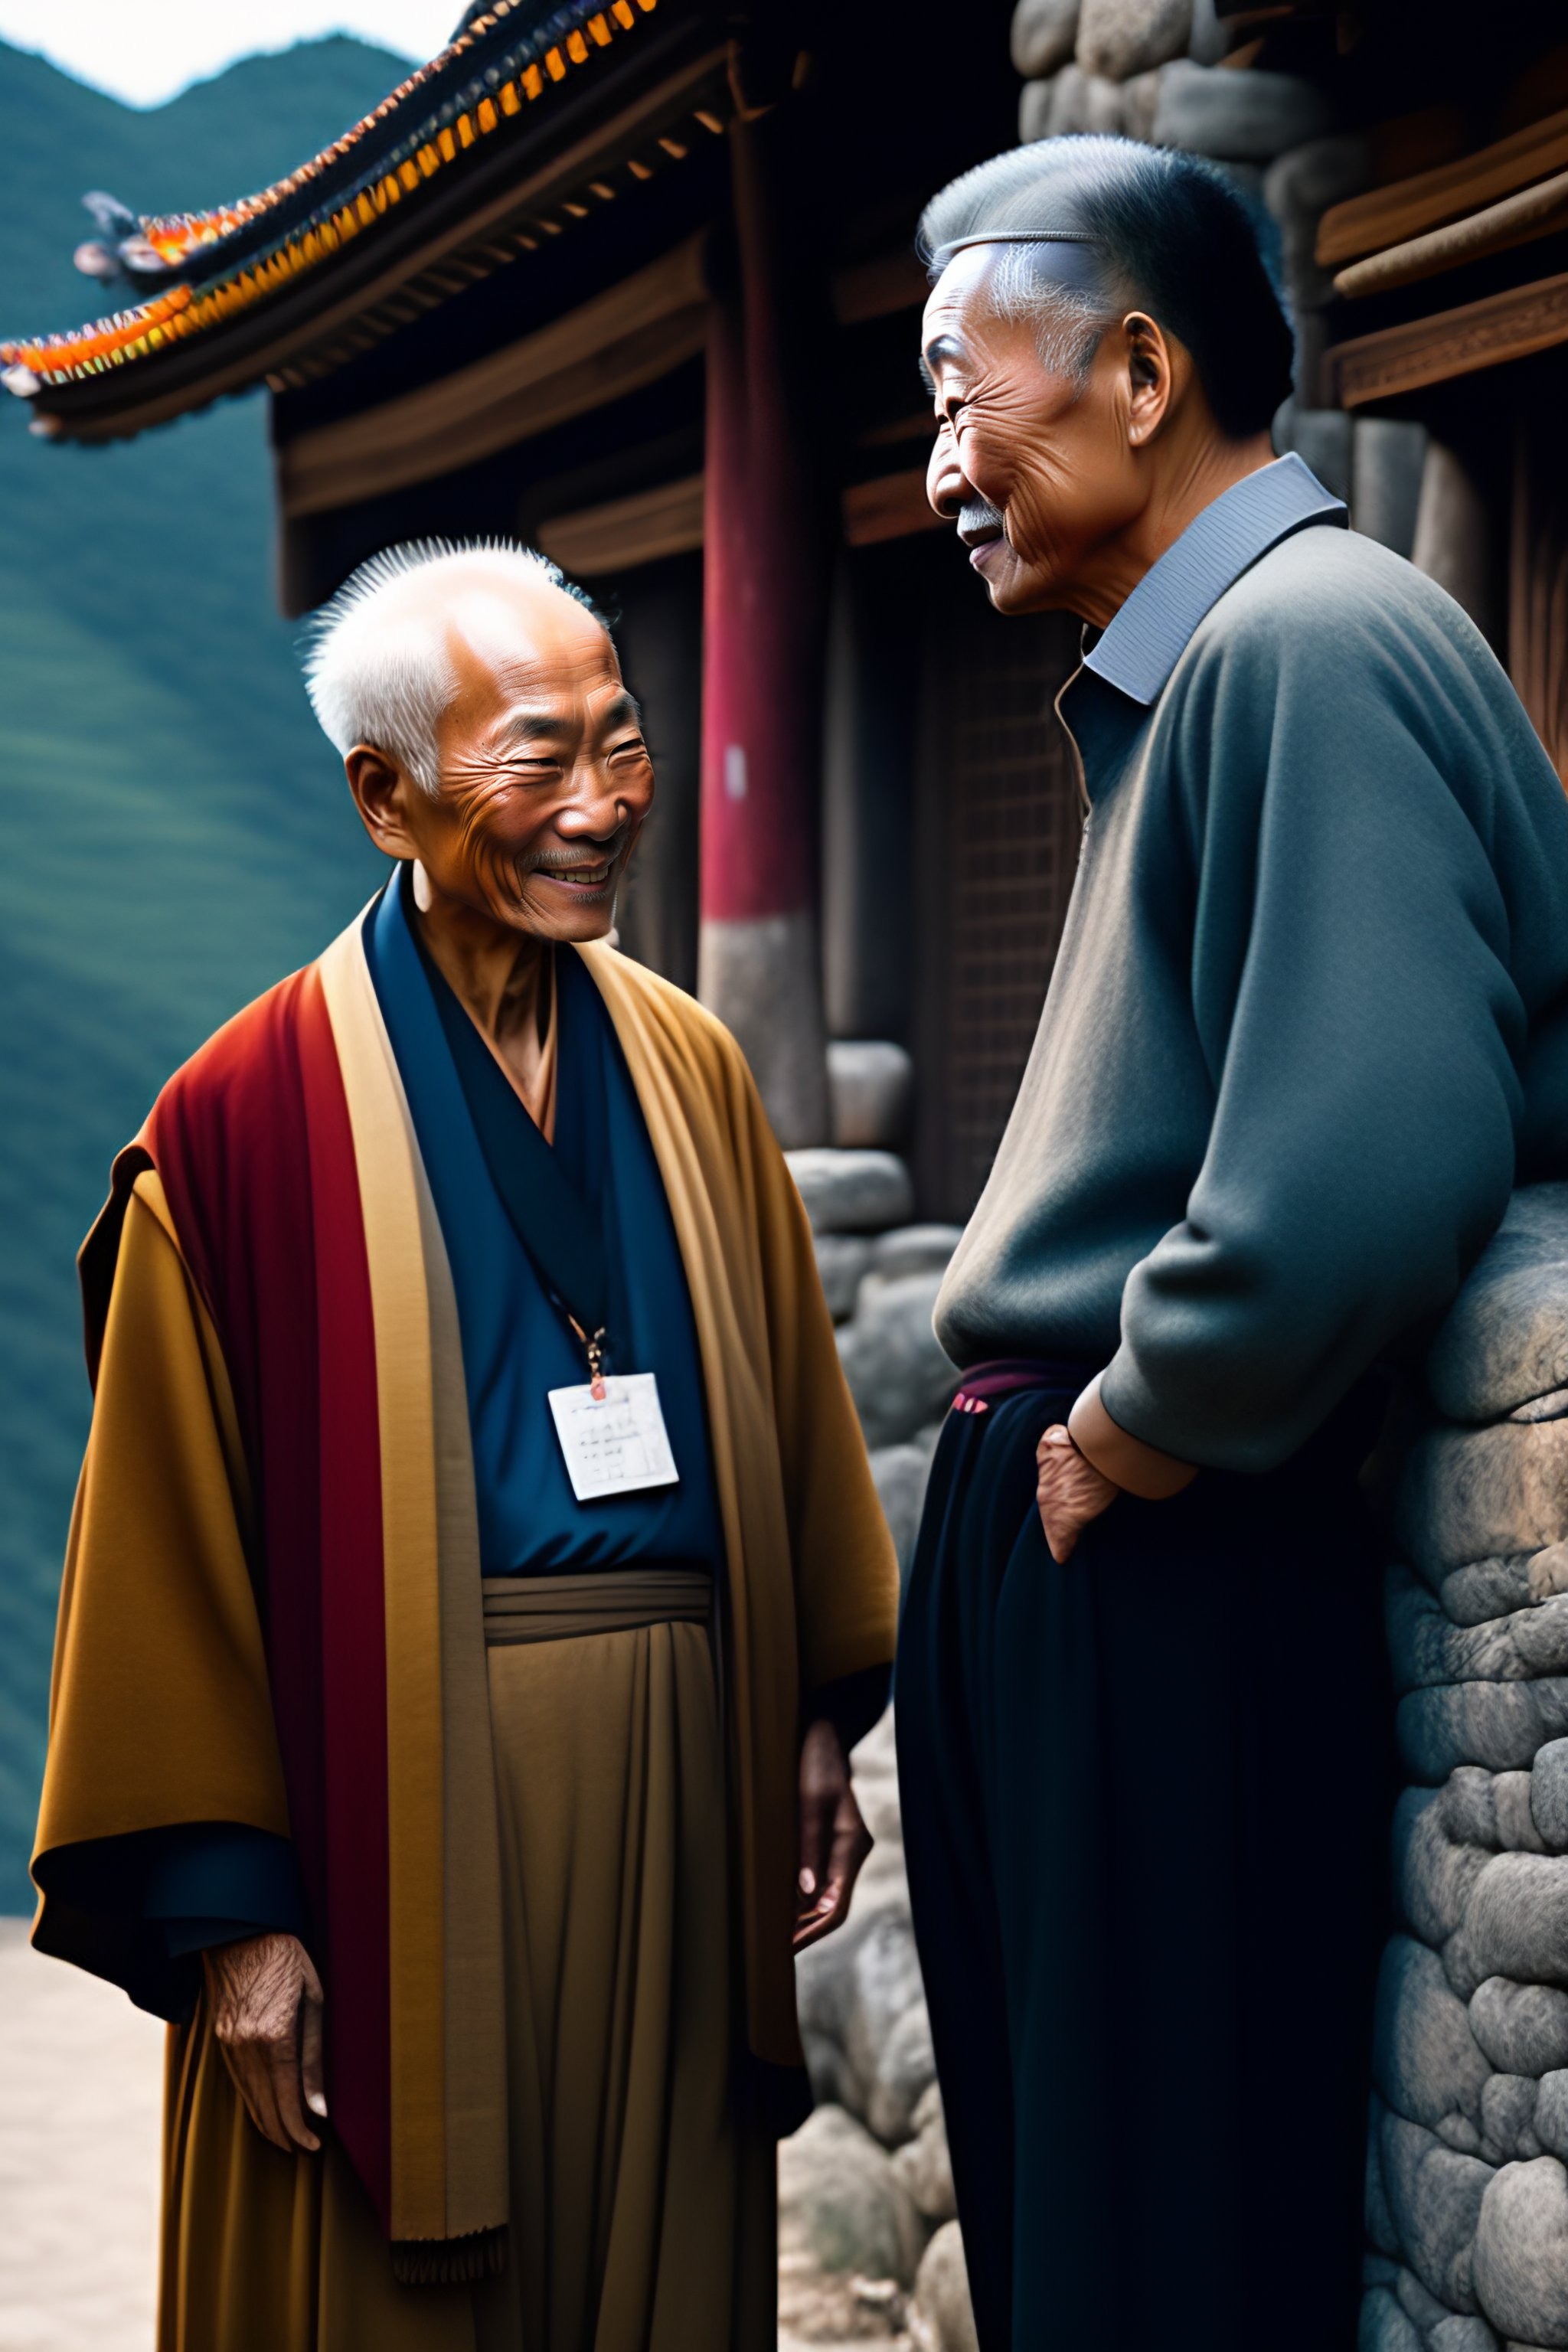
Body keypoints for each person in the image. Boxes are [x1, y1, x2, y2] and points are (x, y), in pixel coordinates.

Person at [34, 542, 899, 2352]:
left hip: (677, 1782)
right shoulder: (235, 1127)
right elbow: (165, 1567)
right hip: (400, 1797)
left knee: (650, 2261)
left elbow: (787, 1422)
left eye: (623, 741)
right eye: (536, 761)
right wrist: (234, 1918)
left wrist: (807, 1709)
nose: (600, 807)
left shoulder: (689, 1070)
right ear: (386, 797)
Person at [896, 136, 1568, 2352]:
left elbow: (1373, 1147)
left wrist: (1147, 1420)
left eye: (959, 399)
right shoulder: (1212, 664)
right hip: (1109, 1544)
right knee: (1084, 2204)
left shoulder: (1309, 644)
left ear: (1146, 369)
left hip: (1161, 1555)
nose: (937, 474)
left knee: (1157, 2237)